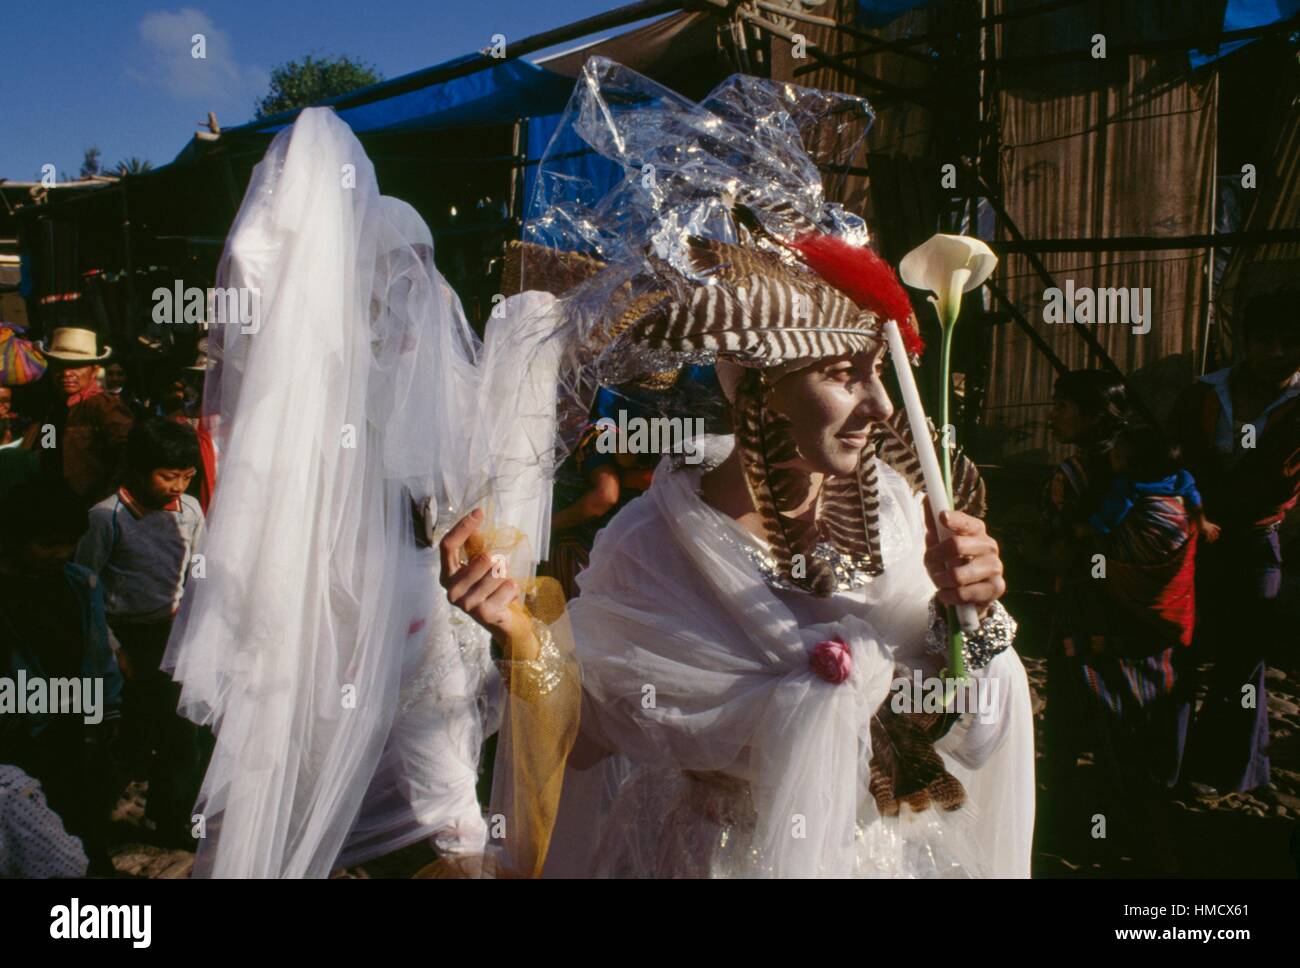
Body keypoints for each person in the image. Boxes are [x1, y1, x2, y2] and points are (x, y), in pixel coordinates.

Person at [441, 59, 1034, 878]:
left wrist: (975, 621)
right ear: (761, 391)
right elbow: (591, 735)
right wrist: (523, 645)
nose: (884, 406)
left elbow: (970, 722)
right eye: (841, 373)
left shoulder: (906, 519)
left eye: (879, 370)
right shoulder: (648, 546)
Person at [1041, 374, 1198, 871]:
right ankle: (1132, 833)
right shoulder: (1154, 461)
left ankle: (1068, 831)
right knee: (1133, 737)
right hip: (1146, 629)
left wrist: (1053, 554)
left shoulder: (1077, 474)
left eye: (1063, 407)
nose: (1054, 416)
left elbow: (1068, 553)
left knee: (1072, 726)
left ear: (1094, 417)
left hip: (1090, 620)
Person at [1173, 290, 1300, 795]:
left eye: (1289, 343)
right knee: (1181, 646)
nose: (1277, 353)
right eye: (1265, 342)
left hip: (1255, 541)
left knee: (1244, 658)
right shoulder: (1204, 393)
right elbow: (1175, 458)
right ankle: (1174, 759)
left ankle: (1231, 769)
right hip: (1195, 536)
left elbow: (1273, 480)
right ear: (1244, 343)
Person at [74, 417, 205, 846]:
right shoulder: (106, 517)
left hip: (173, 634)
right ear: (138, 468)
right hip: (124, 637)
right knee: (127, 735)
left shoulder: (190, 512)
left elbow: (199, 571)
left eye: (186, 476)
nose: (178, 486)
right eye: (168, 475)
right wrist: (112, 651)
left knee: (181, 732)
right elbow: (85, 586)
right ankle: (87, 821)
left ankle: (170, 821)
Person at [0, 483, 124, 875]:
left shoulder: (79, 582)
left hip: (72, 719)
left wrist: (107, 708)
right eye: (47, 544)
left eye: (68, 543)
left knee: (80, 813)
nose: (60, 553)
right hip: (19, 728)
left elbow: (98, 653)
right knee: (29, 826)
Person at [25, 327, 134, 508]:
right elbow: (47, 447)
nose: (67, 373)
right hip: (57, 501)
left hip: (93, 503)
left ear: (94, 369)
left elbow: (127, 453)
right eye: (60, 366)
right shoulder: (54, 407)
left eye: (76, 366)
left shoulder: (104, 406)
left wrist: (107, 499)